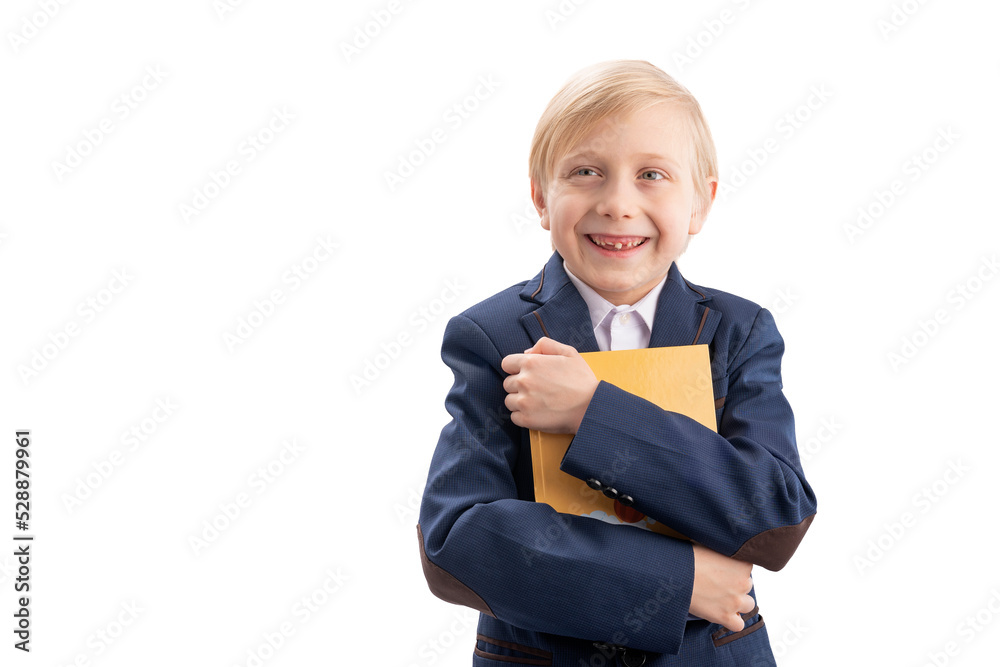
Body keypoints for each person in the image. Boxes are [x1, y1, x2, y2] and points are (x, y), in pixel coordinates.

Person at [416, 59, 817, 666]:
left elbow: (773, 519)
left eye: (652, 174)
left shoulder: (741, 333)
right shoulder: (491, 336)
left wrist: (591, 411)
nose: (617, 203)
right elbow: (457, 542)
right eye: (585, 172)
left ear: (700, 204)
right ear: (540, 197)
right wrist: (676, 581)